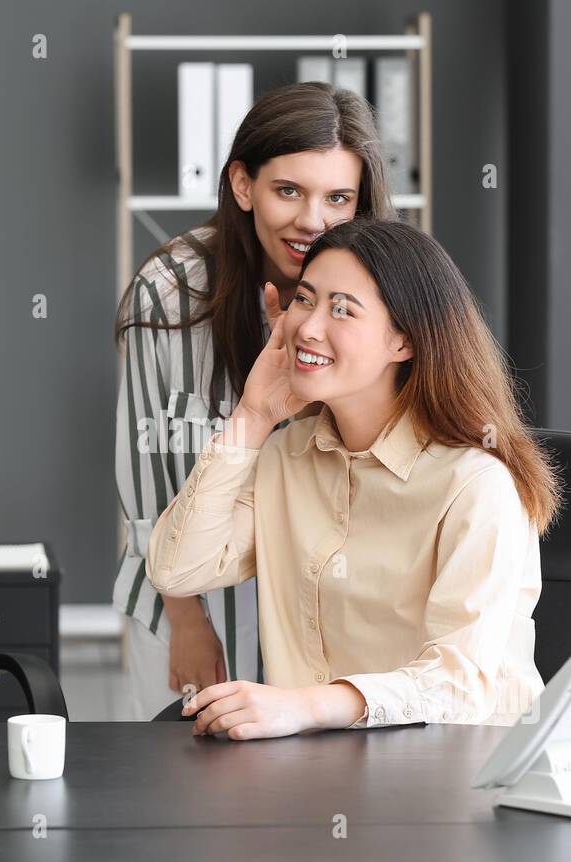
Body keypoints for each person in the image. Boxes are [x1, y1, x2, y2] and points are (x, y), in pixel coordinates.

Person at [146, 216, 564, 739]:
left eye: (342, 309)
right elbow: (177, 570)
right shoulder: (284, 457)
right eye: (305, 299)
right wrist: (251, 418)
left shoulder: (476, 484)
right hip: (318, 772)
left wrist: (307, 706)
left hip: (460, 778)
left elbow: (459, 685)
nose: (308, 326)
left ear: (404, 342)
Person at [114, 82, 395, 721]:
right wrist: (187, 622)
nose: (313, 221)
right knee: (183, 804)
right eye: (288, 191)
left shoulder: (386, 297)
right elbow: (146, 479)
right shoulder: (168, 293)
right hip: (189, 607)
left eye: (338, 198)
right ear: (244, 186)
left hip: (332, 610)